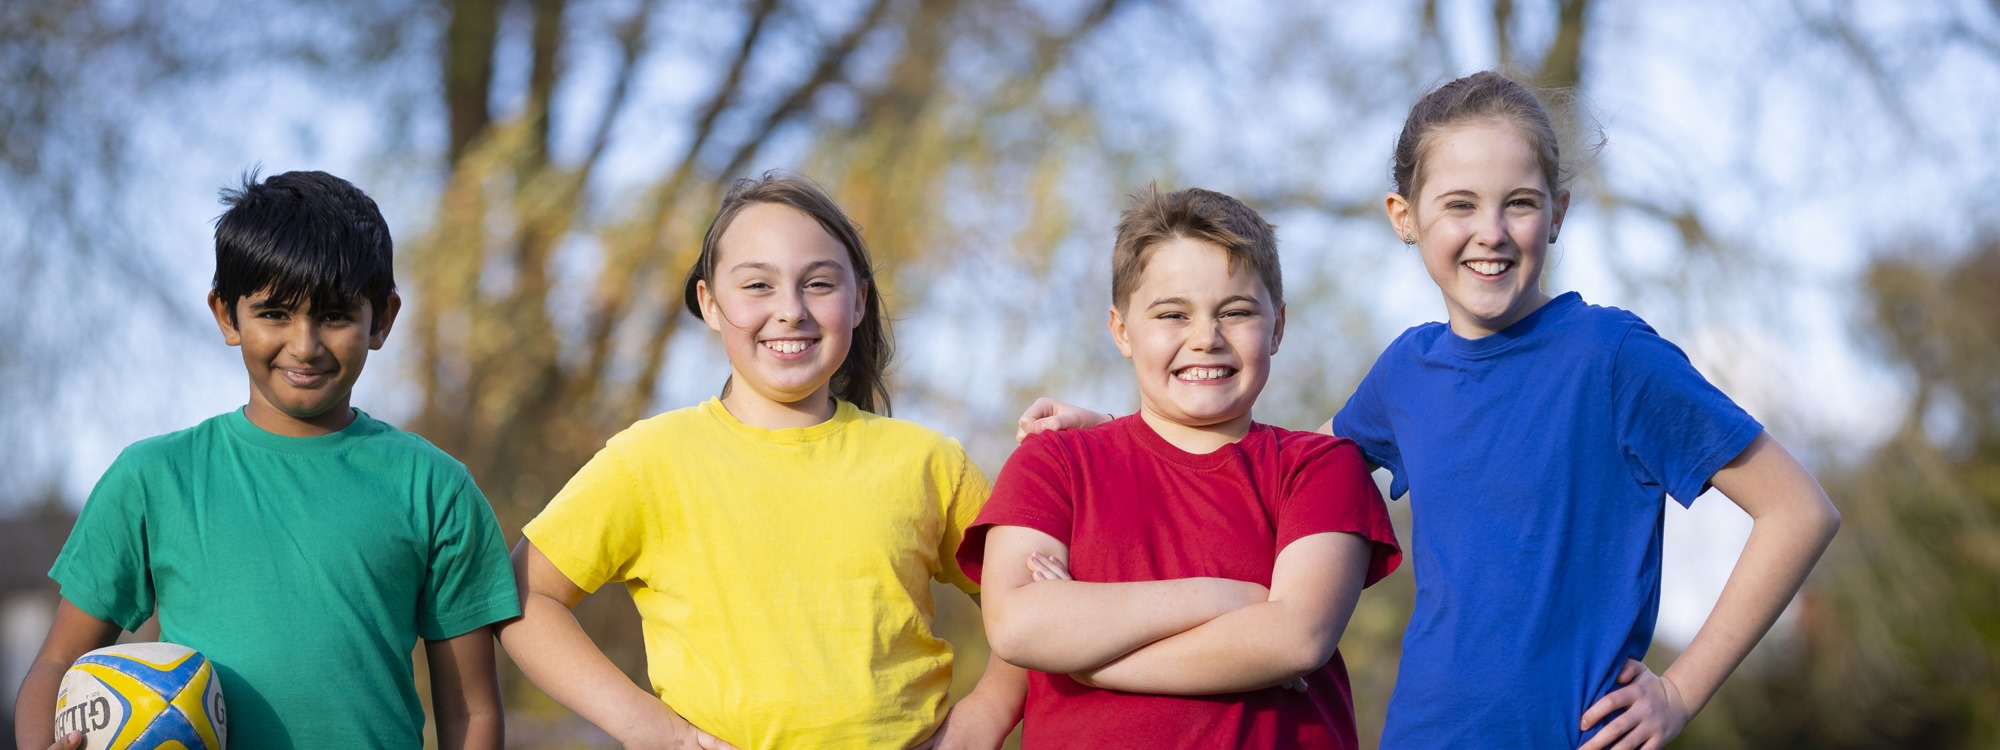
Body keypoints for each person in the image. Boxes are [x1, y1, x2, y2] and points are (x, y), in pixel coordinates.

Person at [1016, 71, 1842, 749]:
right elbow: (1283, 465)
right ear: (1404, 218)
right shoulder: (1406, 371)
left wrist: (1680, 692)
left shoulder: (1613, 359)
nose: (1492, 231)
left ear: (1558, 214)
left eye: (1520, 202)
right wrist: (1124, 430)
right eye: (1459, 204)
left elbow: (1799, 512)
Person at [498, 173, 1026, 750]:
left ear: (858, 301)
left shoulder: (931, 464)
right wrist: (653, 730)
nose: (791, 310)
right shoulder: (650, 460)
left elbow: (1033, 605)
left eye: (818, 284)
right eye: (757, 285)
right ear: (710, 303)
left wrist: (983, 719)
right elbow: (526, 597)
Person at [13, 170, 521, 750]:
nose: (304, 345)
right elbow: (56, 665)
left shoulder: (435, 488)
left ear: (381, 319)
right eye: (275, 313)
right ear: (226, 315)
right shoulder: (154, 478)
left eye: (334, 315)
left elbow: (471, 713)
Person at [960, 186, 1401, 748]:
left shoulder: (1319, 467)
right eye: (1173, 314)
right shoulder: (1054, 461)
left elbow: (1295, 639)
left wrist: (1091, 663)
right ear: (1122, 330)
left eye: (1236, 312)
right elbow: (1018, 625)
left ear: (1278, 327)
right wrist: (1230, 599)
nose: (1205, 339)